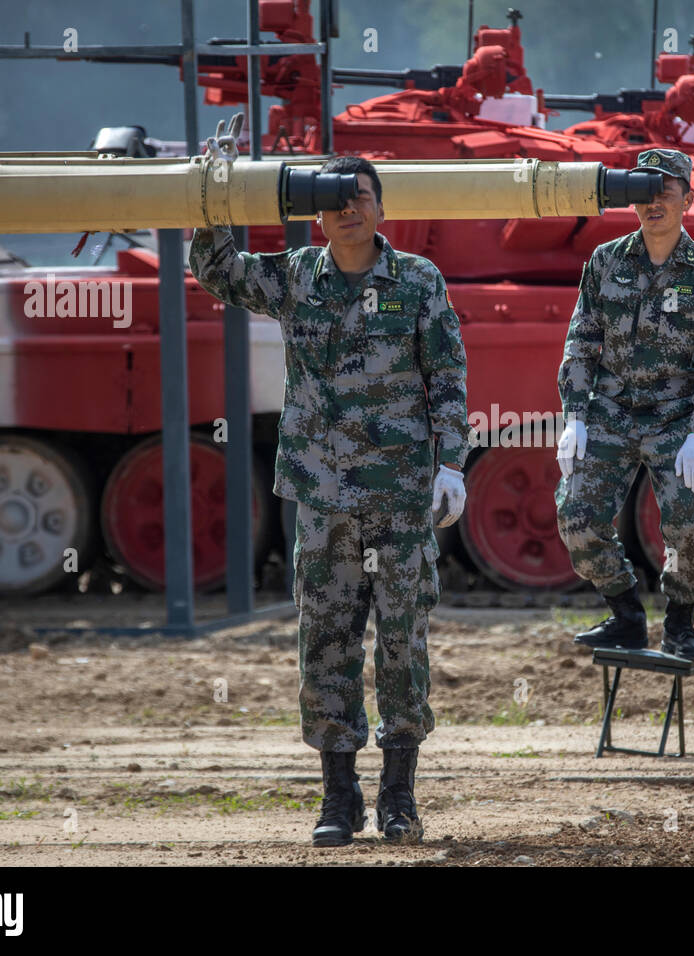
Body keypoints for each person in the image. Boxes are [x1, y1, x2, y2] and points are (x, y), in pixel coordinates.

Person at [189, 120, 469, 847]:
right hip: (323, 497)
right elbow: (217, 270)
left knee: (402, 643)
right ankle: (339, 800)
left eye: (362, 195)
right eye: (336, 198)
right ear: (318, 212)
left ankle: (399, 797)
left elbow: (447, 376)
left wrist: (451, 463)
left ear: (381, 207)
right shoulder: (295, 277)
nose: (350, 208)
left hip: (402, 496)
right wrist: (217, 191)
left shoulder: (417, 282)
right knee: (327, 642)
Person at [555, 148, 694, 662]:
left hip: (676, 416)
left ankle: (680, 622)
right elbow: (581, 344)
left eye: (666, 192)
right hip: (610, 412)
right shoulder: (606, 261)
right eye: (644, 192)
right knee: (577, 515)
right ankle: (626, 614)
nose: (653, 202)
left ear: (687, 200)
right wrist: (575, 417)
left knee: (690, 516)